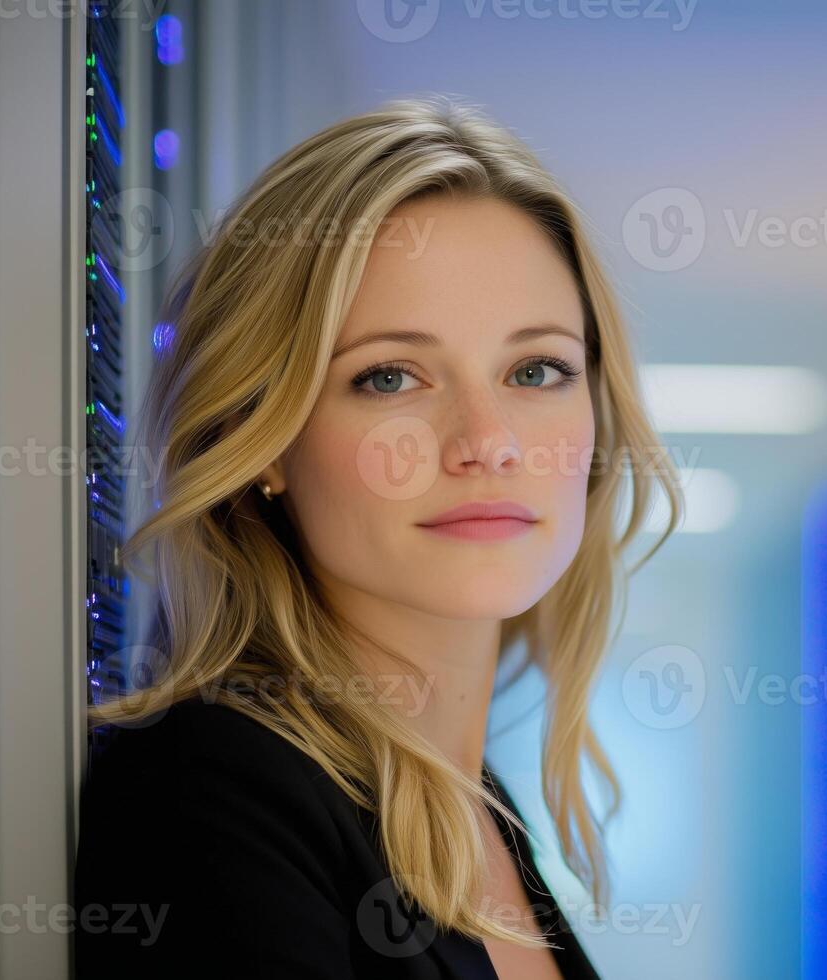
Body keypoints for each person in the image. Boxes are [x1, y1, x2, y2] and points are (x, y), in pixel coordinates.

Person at [74, 96, 681, 979]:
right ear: (267, 439)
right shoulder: (212, 792)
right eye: (390, 377)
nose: (487, 442)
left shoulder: (479, 807)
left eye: (536, 369)